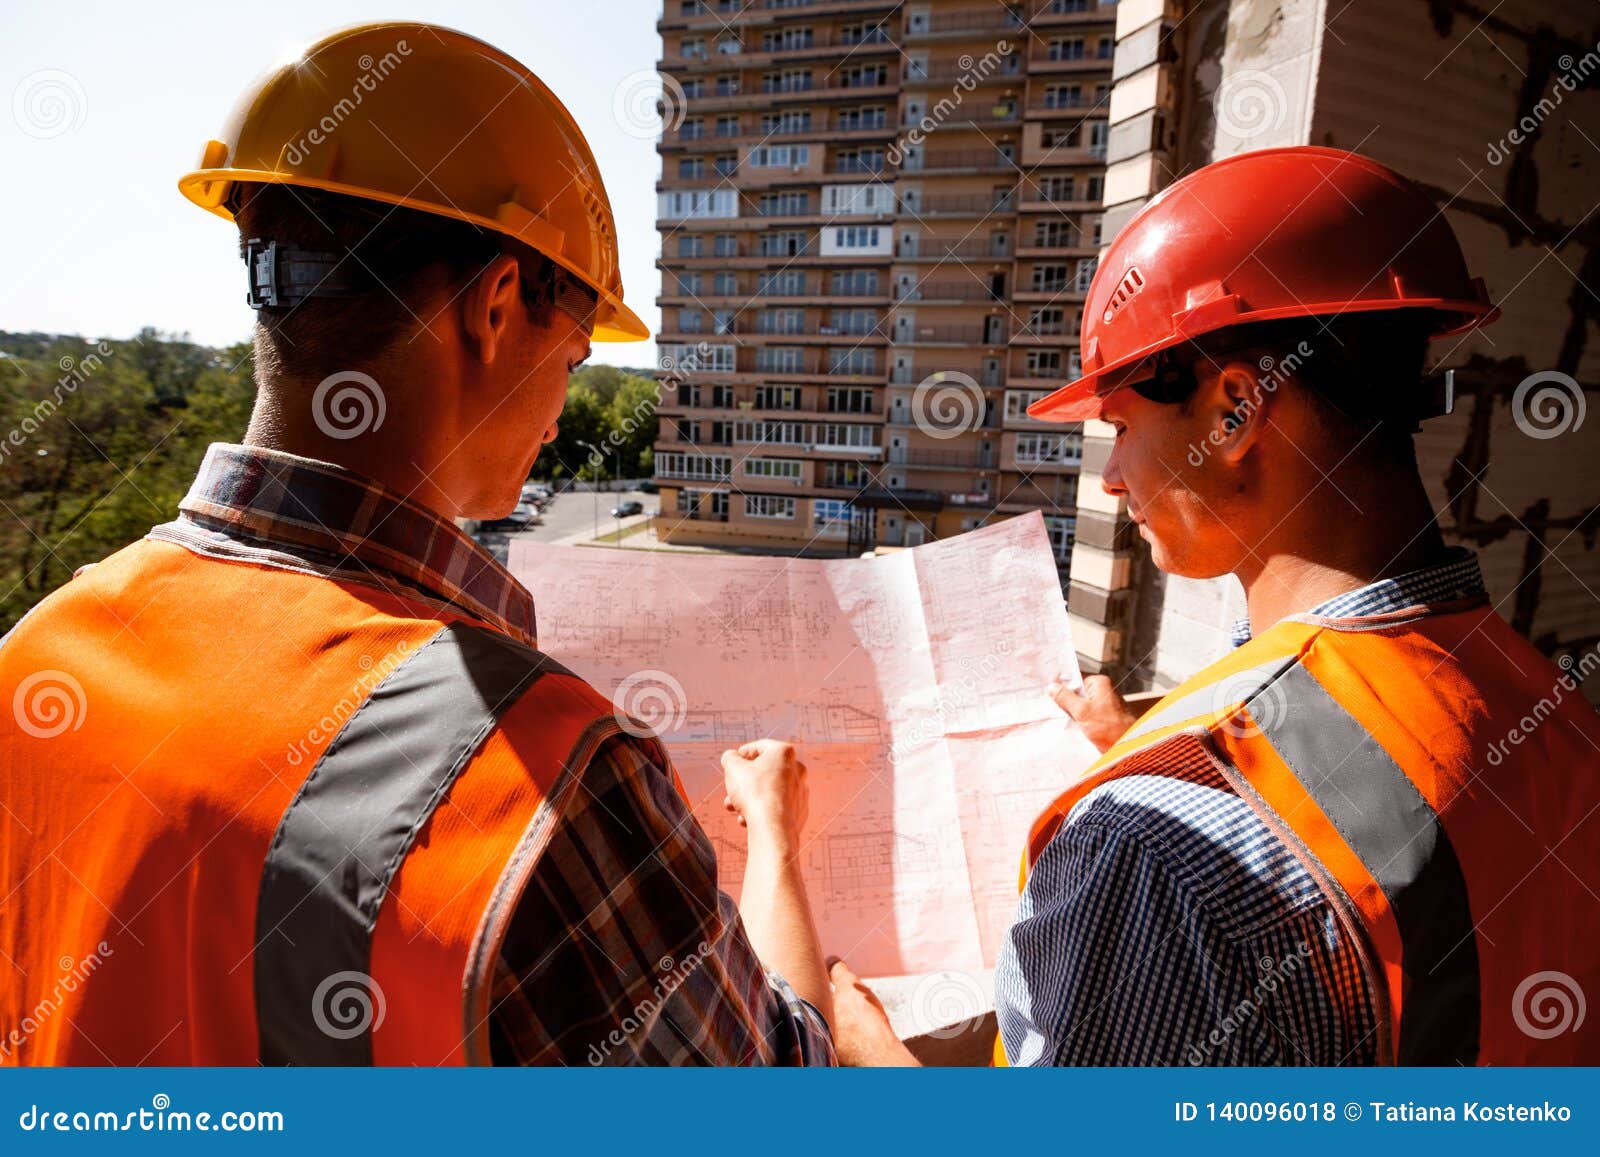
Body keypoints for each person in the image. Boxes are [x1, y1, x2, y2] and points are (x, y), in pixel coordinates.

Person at [0, 23, 833, 1067]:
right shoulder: (539, 772)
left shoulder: (42, 652)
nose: (556, 418)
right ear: (494, 305)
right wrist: (779, 846)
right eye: (573, 355)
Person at [829, 146, 1600, 1066]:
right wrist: (1154, 745)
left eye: (1120, 427)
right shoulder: (1539, 696)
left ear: (1235, 413)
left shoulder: (1145, 848)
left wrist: (871, 1059)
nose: (1112, 479)